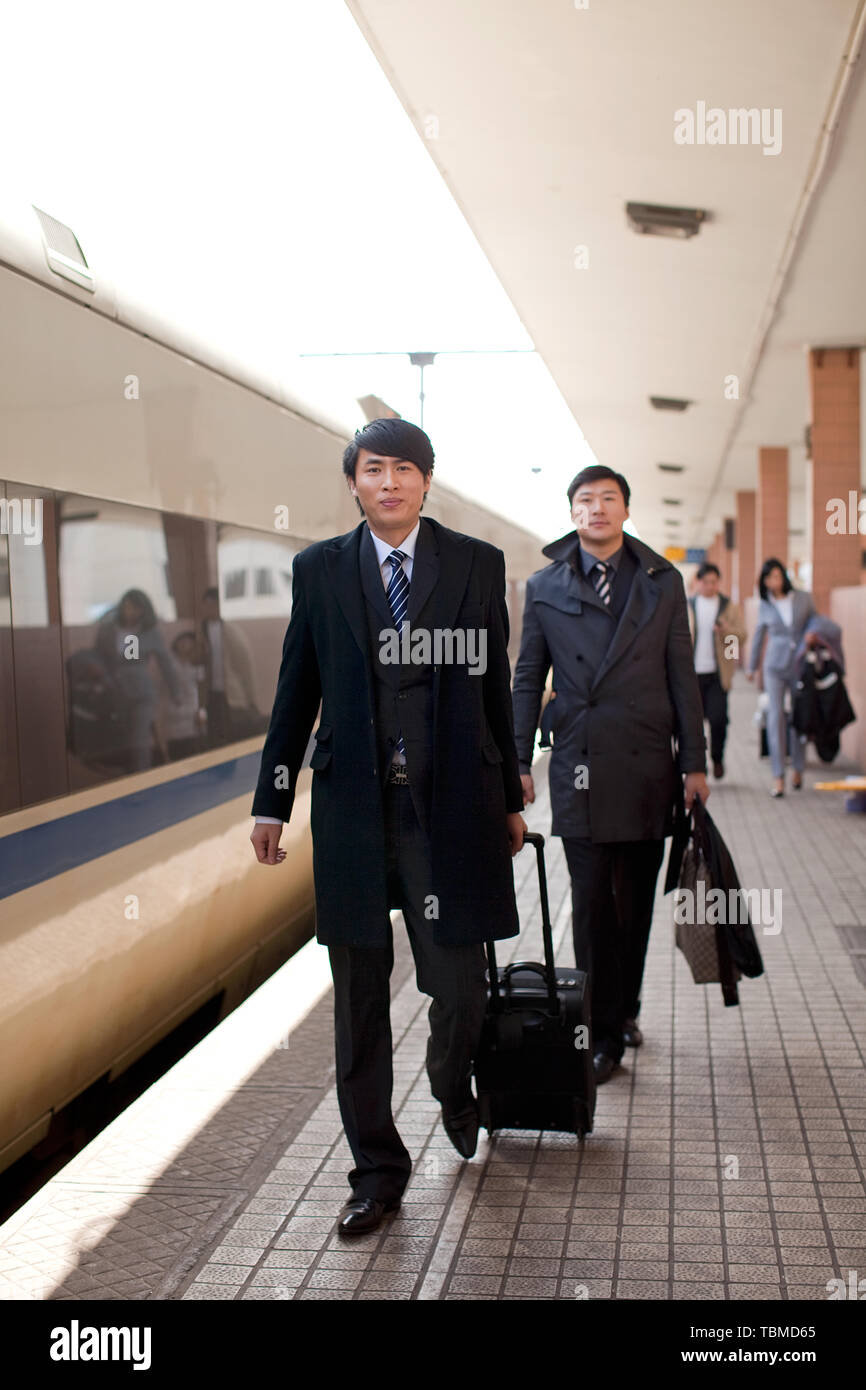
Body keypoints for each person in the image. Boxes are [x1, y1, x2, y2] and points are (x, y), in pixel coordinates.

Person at [249, 418, 526, 1237]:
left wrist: (510, 791)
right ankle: (376, 1170)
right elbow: (296, 690)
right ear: (355, 484)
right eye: (375, 470)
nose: (391, 482)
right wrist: (272, 798)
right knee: (359, 1002)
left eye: (406, 469)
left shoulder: (476, 564)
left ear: (427, 481)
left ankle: (450, 1079)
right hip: (353, 818)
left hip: (448, 815)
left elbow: (489, 686)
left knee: (462, 986)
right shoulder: (319, 570)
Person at [512, 465, 708, 1084]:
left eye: (608, 499)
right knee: (593, 905)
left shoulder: (663, 582)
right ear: (572, 513)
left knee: (635, 906)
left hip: (648, 761)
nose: (596, 509)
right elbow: (525, 679)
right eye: (584, 501)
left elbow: (683, 675)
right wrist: (518, 761)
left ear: (626, 510)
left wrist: (695, 762)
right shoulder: (544, 586)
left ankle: (625, 1012)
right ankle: (598, 1034)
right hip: (580, 763)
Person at [746, 558, 817, 798]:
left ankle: (798, 768)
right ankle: (778, 776)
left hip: (799, 663)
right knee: (775, 718)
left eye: (777, 576)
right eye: (768, 578)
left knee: (799, 716)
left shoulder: (803, 597)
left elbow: (814, 622)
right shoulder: (765, 604)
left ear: (784, 577)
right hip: (774, 666)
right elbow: (758, 634)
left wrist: (811, 638)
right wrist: (752, 665)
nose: (773, 581)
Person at [95, 588, 181, 773]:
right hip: (114, 692)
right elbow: (98, 657)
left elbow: (165, 663)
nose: (129, 612)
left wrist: (176, 692)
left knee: (139, 740)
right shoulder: (108, 630)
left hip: (141, 693)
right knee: (122, 741)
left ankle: (141, 781)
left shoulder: (150, 632)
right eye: (126, 607)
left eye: (134, 608)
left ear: (143, 610)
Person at [687, 562, 746, 779]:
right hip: (691, 674)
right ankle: (697, 765)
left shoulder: (728, 606)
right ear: (698, 582)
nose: (710, 586)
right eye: (706, 582)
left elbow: (740, 637)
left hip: (718, 675)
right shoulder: (688, 605)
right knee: (693, 723)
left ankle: (717, 758)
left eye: (714, 582)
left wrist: (726, 632)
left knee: (718, 719)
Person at [200, 587, 263, 744]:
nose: (209, 608)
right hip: (209, 694)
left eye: (213, 604)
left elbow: (245, 668)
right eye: (206, 604)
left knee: (232, 735)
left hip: (230, 695)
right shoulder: (200, 631)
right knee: (213, 736)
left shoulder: (231, 632)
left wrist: (251, 699)